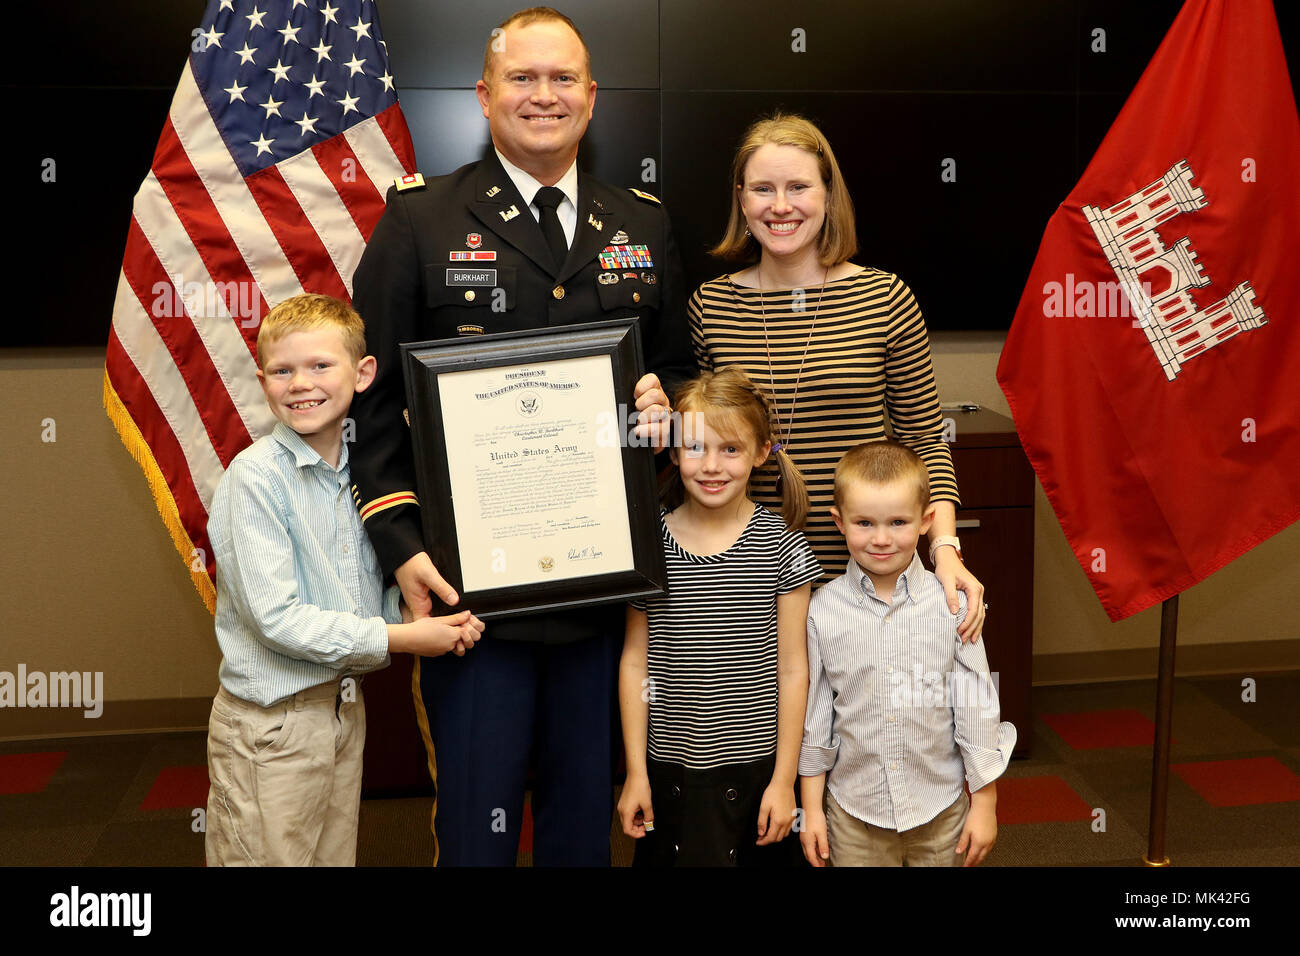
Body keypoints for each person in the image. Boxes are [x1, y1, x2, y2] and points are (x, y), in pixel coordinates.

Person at [349, 7, 694, 866]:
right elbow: (370, 401)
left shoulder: (642, 223)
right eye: (523, 78)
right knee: (477, 823)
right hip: (471, 595)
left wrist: (670, 405)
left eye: (563, 78)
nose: (544, 95)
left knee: (585, 825)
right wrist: (398, 542)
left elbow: (686, 369)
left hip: (602, 587)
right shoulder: (420, 221)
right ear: (484, 93)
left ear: (591, 96)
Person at [204, 294, 484, 867]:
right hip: (269, 729)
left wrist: (414, 614)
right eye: (282, 371)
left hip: (340, 712)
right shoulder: (255, 480)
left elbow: (358, 594)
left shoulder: (364, 480)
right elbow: (278, 619)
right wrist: (405, 639)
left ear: (363, 373)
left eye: (319, 366)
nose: (300, 383)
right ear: (262, 381)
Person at [691, 113, 986, 641]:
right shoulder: (712, 306)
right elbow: (706, 449)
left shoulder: (885, 298)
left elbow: (926, 439)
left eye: (799, 187)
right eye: (763, 189)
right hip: (748, 575)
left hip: (868, 572)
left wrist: (945, 549)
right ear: (741, 199)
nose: (780, 206)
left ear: (828, 196)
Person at [617, 367, 820, 866]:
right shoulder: (648, 545)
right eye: (695, 448)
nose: (711, 466)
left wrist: (783, 779)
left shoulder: (782, 546)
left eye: (730, 449)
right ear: (672, 450)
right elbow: (634, 663)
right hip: (669, 770)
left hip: (757, 774)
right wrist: (636, 772)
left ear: (760, 451)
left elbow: (794, 670)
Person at [799, 440, 1015, 867]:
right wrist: (810, 812)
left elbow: (975, 708)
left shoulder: (951, 604)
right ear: (839, 523)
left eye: (898, 521)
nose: (881, 539)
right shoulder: (823, 608)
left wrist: (985, 804)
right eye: (864, 522)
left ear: (926, 521)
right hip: (854, 815)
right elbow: (817, 718)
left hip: (941, 812)